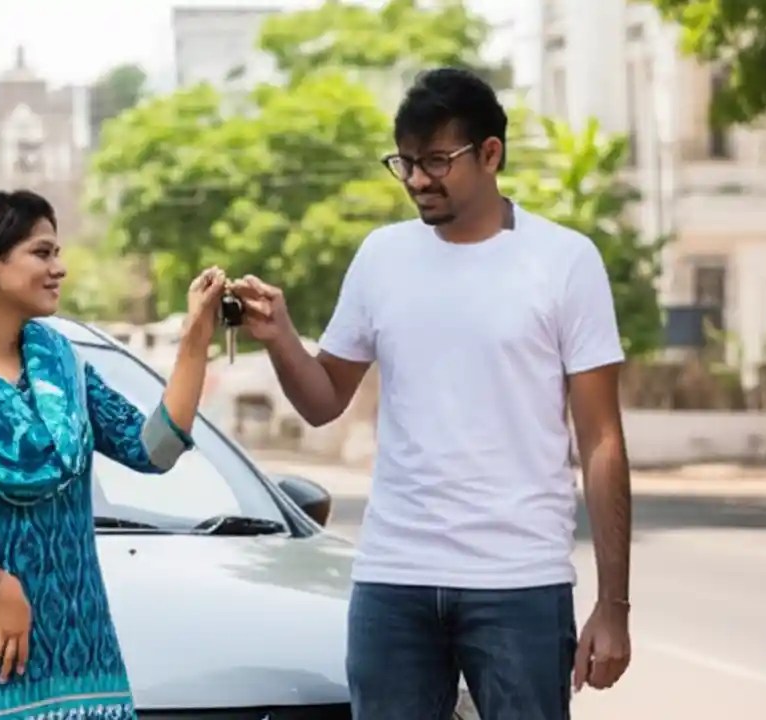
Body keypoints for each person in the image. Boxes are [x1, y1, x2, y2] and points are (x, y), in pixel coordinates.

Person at [229, 67, 632, 720]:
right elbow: (325, 398)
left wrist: (613, 607)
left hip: (518, 582)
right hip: (394, 580)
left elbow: (603, 440)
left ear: (491, 154)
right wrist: (279, 336)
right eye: (407, 162)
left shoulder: (564, 261)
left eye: (437, 160)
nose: (418, 179)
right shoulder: (382, 257)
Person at [0, 189, 226, 719]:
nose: (60, 268)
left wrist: (196, 337)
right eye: (42, 253)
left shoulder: (62, 368)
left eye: (57, 253)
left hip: (78, 656)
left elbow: (155, 449)